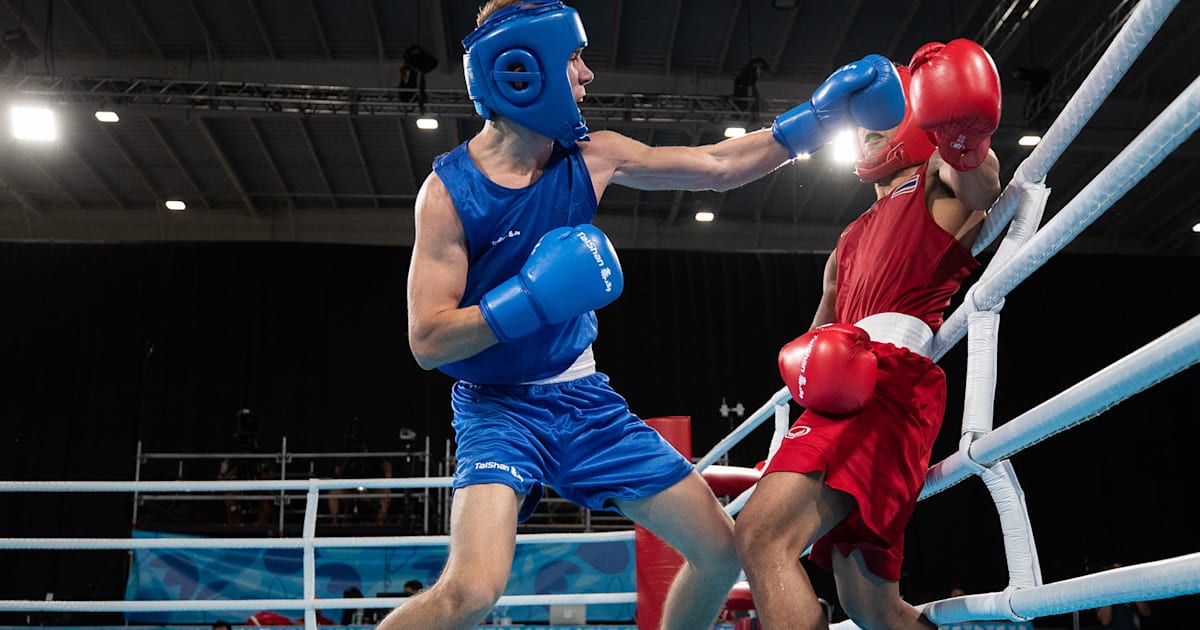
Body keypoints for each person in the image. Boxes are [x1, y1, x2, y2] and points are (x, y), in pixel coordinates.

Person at [383, 2, 906, 629]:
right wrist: (530, 298)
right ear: (524, 70)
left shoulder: (593, 155)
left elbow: (718, 167)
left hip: (584, 403)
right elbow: (427, 339)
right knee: (469, 591)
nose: (587, 76)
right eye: (573, 59)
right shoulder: (448, 193)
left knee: (720, 553)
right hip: (497, 410)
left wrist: (819, 120)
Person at [734, 38, 1003, 629]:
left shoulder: (936, 180)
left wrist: (963, 134)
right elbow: (820, 326)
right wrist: (807, 366)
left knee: (759, 537)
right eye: (862, 124)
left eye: (882, 117)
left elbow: (983, 187)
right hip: (840, 390)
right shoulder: (847, 240)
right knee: (870, 606)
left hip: (890, 385)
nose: (867, 131)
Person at [328, 417, 393, 526]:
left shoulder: (372, 457)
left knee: (387, 494)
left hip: (371, 490)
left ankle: (380, 521)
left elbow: (387, 466)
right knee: (332, 493)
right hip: (350, 490)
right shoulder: (347, 455)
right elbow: (337, 472)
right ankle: (334, 522)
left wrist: (387, 483)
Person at [1095, 563, 1151, 629]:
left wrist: (1135, 594)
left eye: (1121, 569)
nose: (1118, 573)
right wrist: (1110, 593)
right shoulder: (1102, 592)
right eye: (1114, 570)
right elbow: (1105, 621)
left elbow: (1147, 613)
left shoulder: (1132, 588)